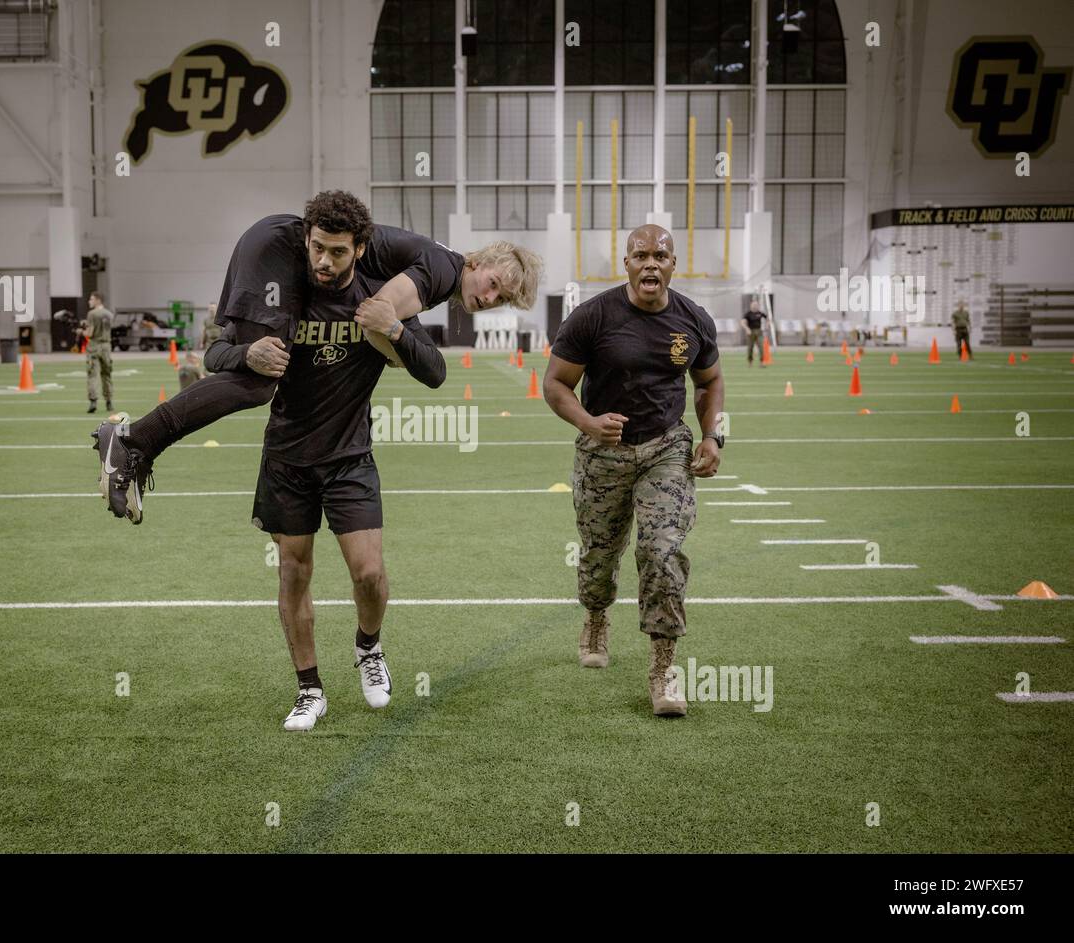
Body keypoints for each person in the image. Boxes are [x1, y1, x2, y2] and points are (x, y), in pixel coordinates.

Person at [91, 198, 542, 524]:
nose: (487, 297)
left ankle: (138, 443)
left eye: (499, 298)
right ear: (479, 260)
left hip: (284, 251)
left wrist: (403, 341)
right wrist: (401, 351)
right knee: (263, 377)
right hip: (281, 249)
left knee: (258, 370)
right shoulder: (444, 270)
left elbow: (385, 316)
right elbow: (375, 315)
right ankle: (134, 440)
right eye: (492, 282)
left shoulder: (441, 270)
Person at [221, 191, 448, 731]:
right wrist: (243, 355)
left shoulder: (377, 297)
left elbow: (435, 371)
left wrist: (391, 327)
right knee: (294, 572)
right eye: (317, 248)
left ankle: (368, 648)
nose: (324, 261)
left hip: (350, 457)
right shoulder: (285, 294)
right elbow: (215, 352)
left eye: (338, 252)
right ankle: (309, 689)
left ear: (361, 249)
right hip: (286, 459)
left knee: (368, 572)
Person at [544, 224, 725, 719]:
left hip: (666, 447)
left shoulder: (693, 319)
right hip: (602, 454)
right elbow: (555, 384)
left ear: (673, 264)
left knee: (661, 550)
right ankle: (597, 617)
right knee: (600, 554)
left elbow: (709, 383)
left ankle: (663, 667)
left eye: (660, 256)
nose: (650, 264)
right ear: (625, 263)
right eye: (640, 255)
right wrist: (588, 422)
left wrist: (713, 437)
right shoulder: (592, 317)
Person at [83, 291, 114, 414]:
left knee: (92, 375)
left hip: (94, 346)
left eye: (91, 299)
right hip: (106, 346)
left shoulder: (92, 314)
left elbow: (89, 333)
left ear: (98, 300)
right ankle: (109, 401)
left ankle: (93, 401)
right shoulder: (109, 314)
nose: (89, 301)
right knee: (107, 374)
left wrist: (81, 332)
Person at [742, 299, 766, 365]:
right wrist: (747, 329)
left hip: (759, 332)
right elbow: (743, 322)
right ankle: (750, 361)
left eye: (756, 305)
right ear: (751, 305)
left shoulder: (760, 313)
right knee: (750, 348)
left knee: (761, 347)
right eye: (754, 304)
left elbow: (767, 319)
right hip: (751, 332)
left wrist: (767, 325)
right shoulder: (748, 314)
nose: (755, 306)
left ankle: (762, 362)